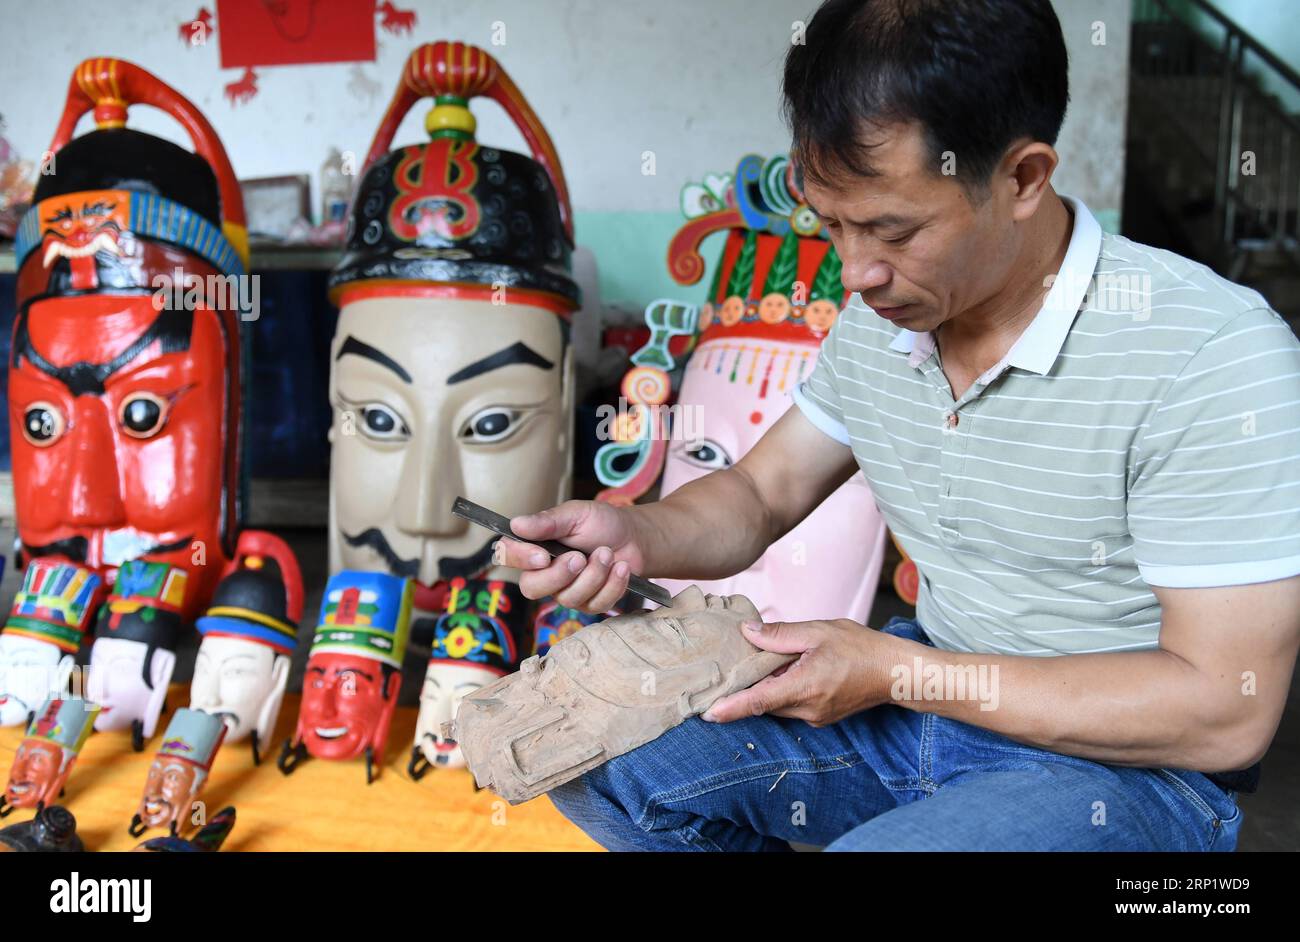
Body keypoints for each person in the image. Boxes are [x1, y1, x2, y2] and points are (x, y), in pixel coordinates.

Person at [495, 0, 1300, 851]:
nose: (856, 273)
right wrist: (630, 534)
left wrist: (899, 670)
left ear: (1023, 178)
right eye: (831, 225)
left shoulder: (1211, 354)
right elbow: (761, 493)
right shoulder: (884, 322)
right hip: (912, 706)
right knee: (589, 747)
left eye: (893, 229)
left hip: (1125, 773)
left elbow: (1225, 713)